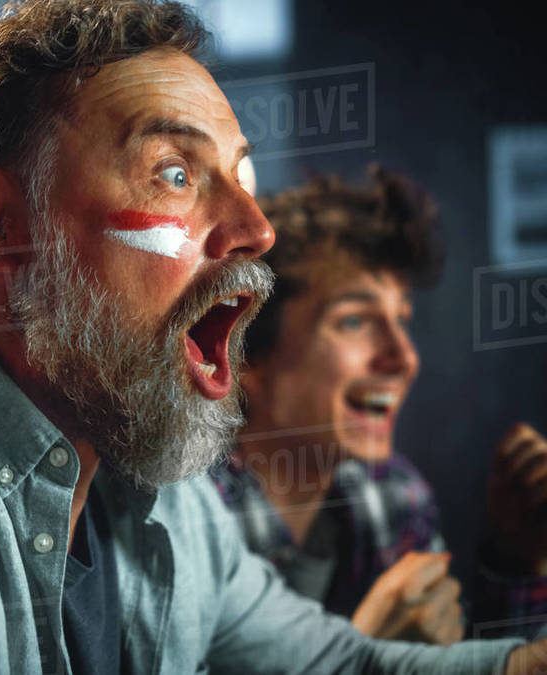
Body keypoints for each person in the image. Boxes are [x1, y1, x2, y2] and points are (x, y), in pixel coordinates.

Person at [0, 0, 547, 671]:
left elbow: (342, 662)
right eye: (177, 175)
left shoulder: (156, 481)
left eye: (242, 178)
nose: (257, 229)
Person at [210, 167, 547, 643]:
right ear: (246, 356)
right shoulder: (190, 519)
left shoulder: (394, 496)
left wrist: (512, 561)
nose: (404, 357)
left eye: (400, 319)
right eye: (354, 322)